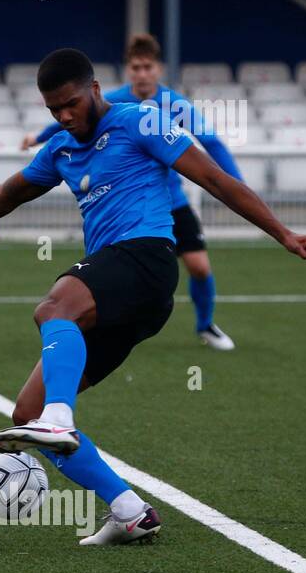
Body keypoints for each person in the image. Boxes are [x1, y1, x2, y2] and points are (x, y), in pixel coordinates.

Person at [0, 49, 306, 545]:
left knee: (54, 307)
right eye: (53, 110)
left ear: (94, 90)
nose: (64, 116)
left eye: (70, 104)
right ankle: (130, 512)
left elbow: (215, 179)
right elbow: (1, 197)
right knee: (26, 414)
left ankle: (60, 418)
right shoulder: (60, 150)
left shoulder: (141, 122)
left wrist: (284, 234)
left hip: (146, 260)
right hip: (123, 295)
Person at [22, 34, 242, 350]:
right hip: (126, 211)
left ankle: (206, 325)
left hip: (171, 203)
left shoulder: (174, 105)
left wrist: (237, 182)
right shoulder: (113, 99)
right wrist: (38, 136)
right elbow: (65, 118)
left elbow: (212, 143)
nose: (142, 73)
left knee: (199, 267)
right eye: (135, 67)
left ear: (158, 69)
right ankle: (102, 326)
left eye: (147, 67)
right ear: (128, 69)